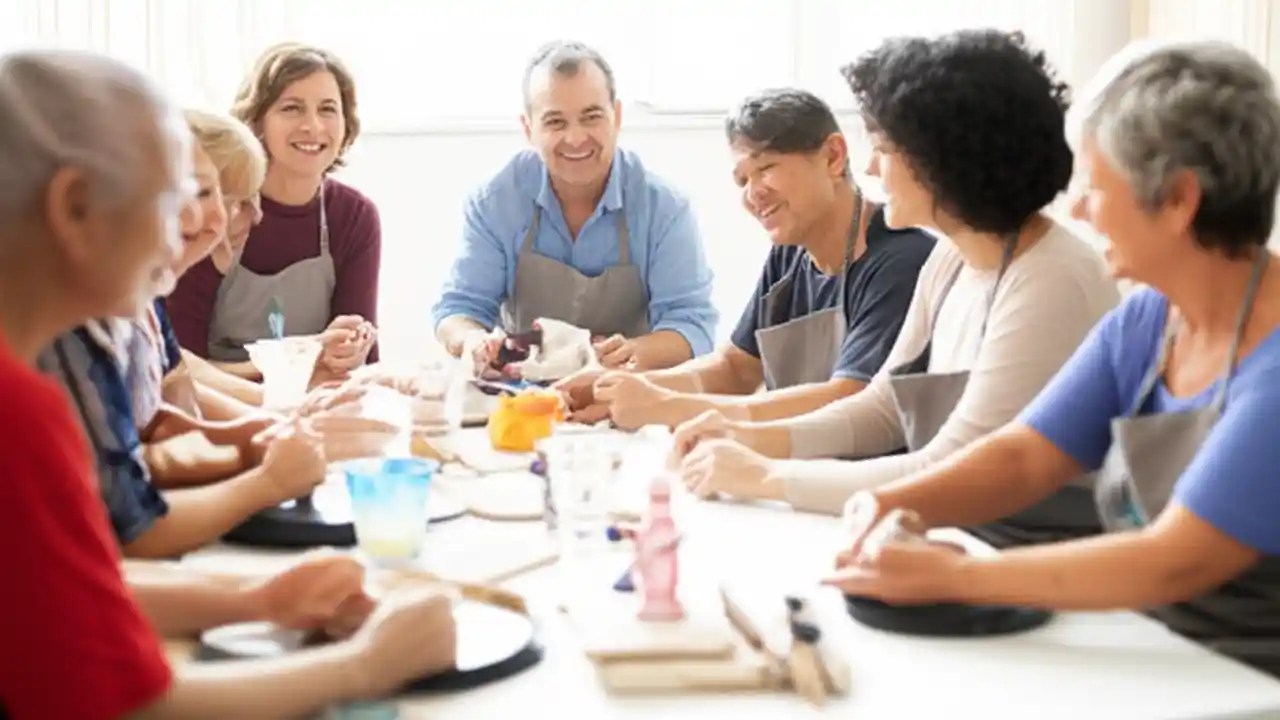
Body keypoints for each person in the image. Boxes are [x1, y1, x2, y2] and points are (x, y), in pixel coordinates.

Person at [0, 49, 454, 720]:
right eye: (168, 200)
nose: (191, 232)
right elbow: (132, 705)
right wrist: (368, 664)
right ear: (74, 208)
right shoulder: (19, 416)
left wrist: (261, 599)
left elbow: (66, 592)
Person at [825, 39, 1280, 680]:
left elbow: (1176, 557)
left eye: (1096, 186)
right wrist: (887, 503)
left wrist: (959, 576)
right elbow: (1026, 455)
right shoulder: (1148, 320)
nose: (1077, 207)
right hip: (1155, 654)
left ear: (1178, 200)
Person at [672, 30, 1120, 548]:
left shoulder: (1050, 279)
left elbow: (952, 465)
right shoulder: (952, 259)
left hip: (1030, 553)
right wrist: (750, 438)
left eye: (883, 148)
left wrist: (765, 476)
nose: (870, 167)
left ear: (944, 159)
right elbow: (881, 407)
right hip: (956, 534)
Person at [38, 111, 329, 558]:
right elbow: (130, 524)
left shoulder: (139, 295)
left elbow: (160, 417)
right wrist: (265, 474)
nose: (205, 217)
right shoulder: (73, 327)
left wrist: (266, 433)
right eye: (190, 195)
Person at [558, 89, 934, 429]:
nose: (754, 194)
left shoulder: (902, 260)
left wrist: (667, 407)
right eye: (743, 181)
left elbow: (849, 399)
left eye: (766, 168)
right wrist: (618, 387)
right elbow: (735, 368)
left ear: (833, 157)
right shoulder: (789, 253)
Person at [432, 40, 718, 374]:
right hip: (520, 394)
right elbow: (458, 309)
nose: (576, 138)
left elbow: (692, 325)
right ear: (528, 129)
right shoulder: (494, 203)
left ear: (618, 116)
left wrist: (627, 352)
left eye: (591, 117)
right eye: (555, 122)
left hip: (626, 391)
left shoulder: (666, 208)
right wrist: (473, 342)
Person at [168, 42, 380, 381]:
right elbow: (176, 366)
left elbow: (360, 365)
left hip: (315, 407)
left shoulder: (354, 216)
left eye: (328, 109)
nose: (313, 126)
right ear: (257, 122)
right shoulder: (219, 210)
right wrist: (297, 360)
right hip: (213, 406)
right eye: (292, 108)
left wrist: (352, 347)